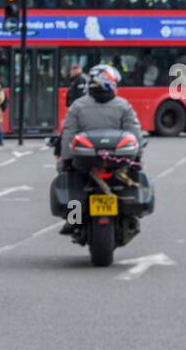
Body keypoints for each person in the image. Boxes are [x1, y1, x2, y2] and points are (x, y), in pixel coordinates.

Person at [56, 65, 142, 234]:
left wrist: (65, 160)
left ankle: (73, 219)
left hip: (84, 163)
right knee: (130, 177)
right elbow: (135, 134)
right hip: (117, 163)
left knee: (72, 181)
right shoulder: (124, 106)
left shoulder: (77, 106)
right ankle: (130, 216)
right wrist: (137, 157)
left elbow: (68, 135)